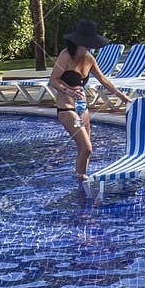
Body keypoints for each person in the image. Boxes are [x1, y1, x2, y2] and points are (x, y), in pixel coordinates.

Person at [48, 20, 129, 183]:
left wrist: (123, 97)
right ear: (77, 41)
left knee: (84, 151)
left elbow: (104, 80)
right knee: (87, 148)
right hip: (67, 109)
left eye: (90, 44)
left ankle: (81, 182)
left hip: (82, 108)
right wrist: (69, 91)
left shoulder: (89, 58)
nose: (88, 47)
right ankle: (81, 181)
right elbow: (53, 80)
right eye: (86, 44)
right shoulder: (66, 56)